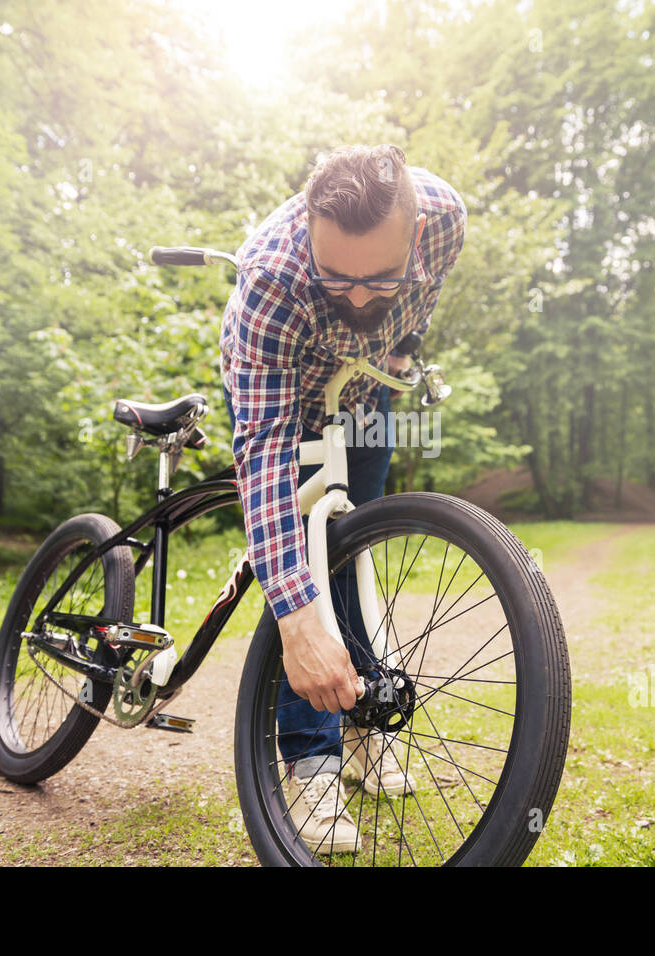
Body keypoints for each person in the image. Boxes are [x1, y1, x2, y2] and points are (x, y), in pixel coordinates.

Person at [218, 143, 466, 854]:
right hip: (283, 398)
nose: (358, 296)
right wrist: (295, 622)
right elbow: (263, 456)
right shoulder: (272, 278)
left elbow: (425, 293)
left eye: (379, 277)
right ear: (309, 233)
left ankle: (361, 730)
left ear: (415, 235)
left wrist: (401, 346)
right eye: (338, 277)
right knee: (304, 570)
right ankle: (311, 759)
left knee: (354, 549)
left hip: (362, 389)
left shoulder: (446, 217)